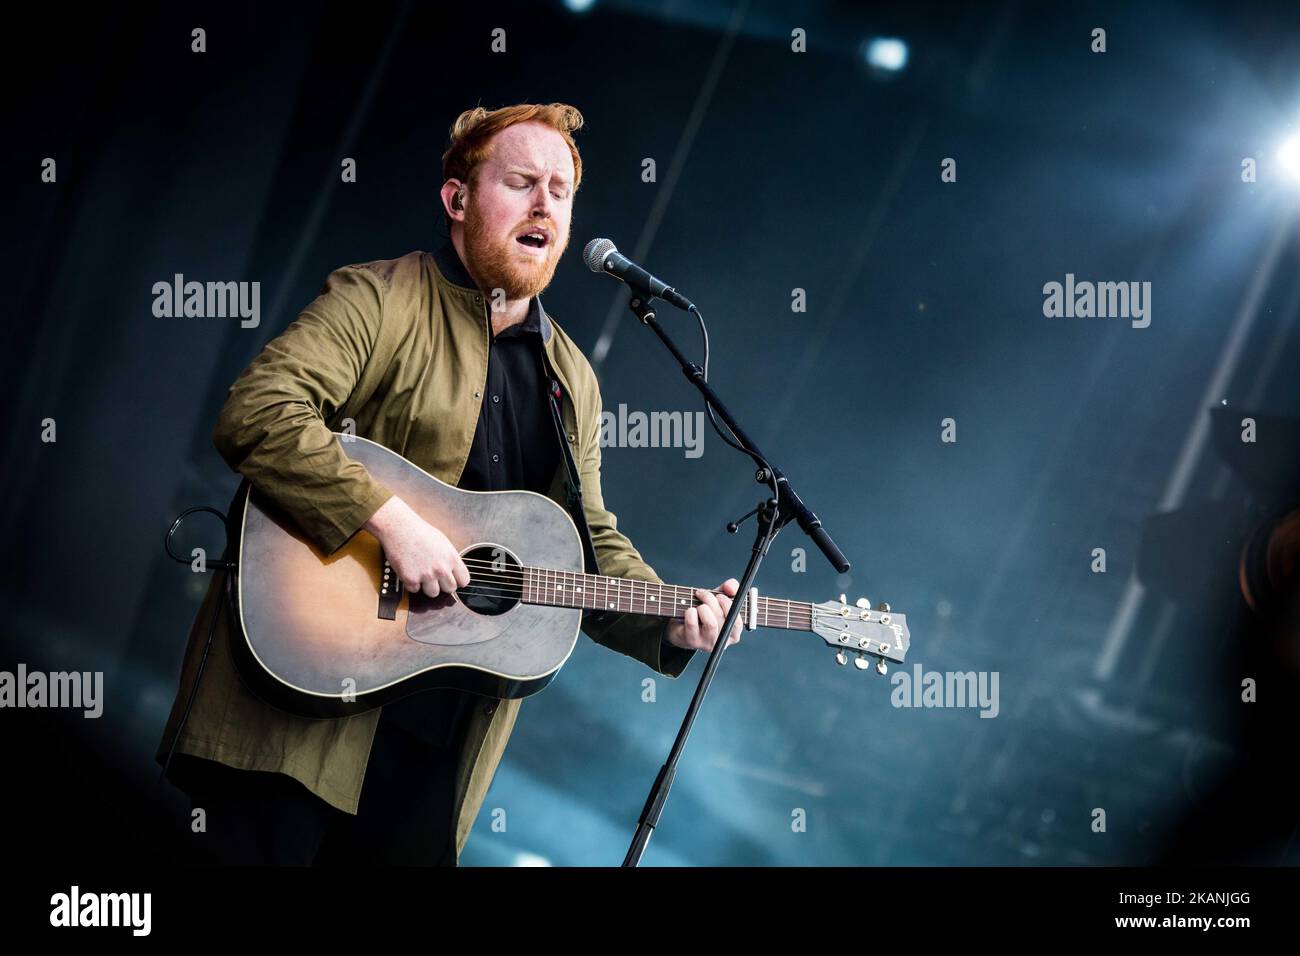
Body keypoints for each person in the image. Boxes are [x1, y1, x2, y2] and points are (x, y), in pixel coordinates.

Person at [156, 102, 742, 866]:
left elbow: (586, 544)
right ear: (457, 200)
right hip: (300, 707)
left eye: (560, 191)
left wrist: (670, 620)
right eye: (521, 181)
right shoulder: (377, 298)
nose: (544, 205)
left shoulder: (573, 381)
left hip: (438, 750)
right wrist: (391, 523)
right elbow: (259, 412)